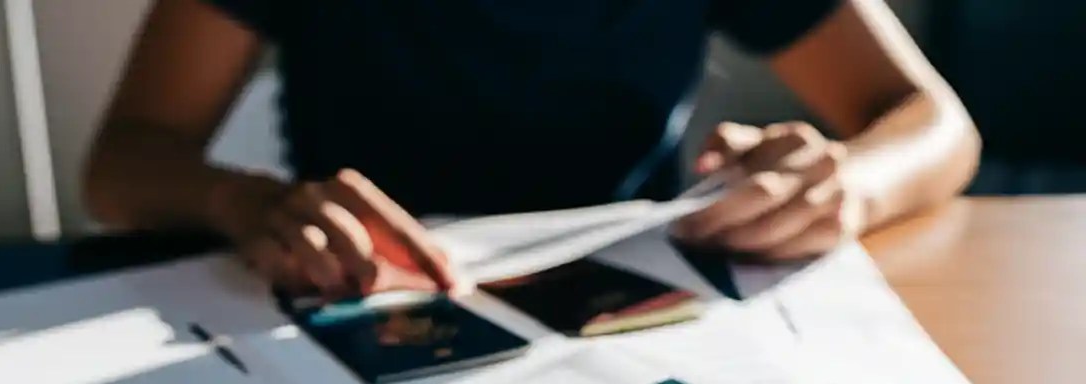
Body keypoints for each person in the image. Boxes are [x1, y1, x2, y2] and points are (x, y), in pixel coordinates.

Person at [84, 0, 979, 297]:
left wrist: (846, 184)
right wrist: (244, 203)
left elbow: (934, 122)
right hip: (361, 302)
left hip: (639, 308)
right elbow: (121, 163)